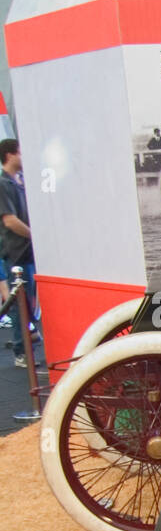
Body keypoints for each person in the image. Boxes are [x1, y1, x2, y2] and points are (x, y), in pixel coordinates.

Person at [0, 139, 39, 367]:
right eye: (21, 153)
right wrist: (34, 235)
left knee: (29, 303)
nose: (24, 157)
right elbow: (10, 221)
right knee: (19, 305)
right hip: (15, 254)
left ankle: (29, 342)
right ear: (10, 155)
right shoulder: (4, 184)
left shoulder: (18, 182)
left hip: (26, 253)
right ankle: (21, 351)